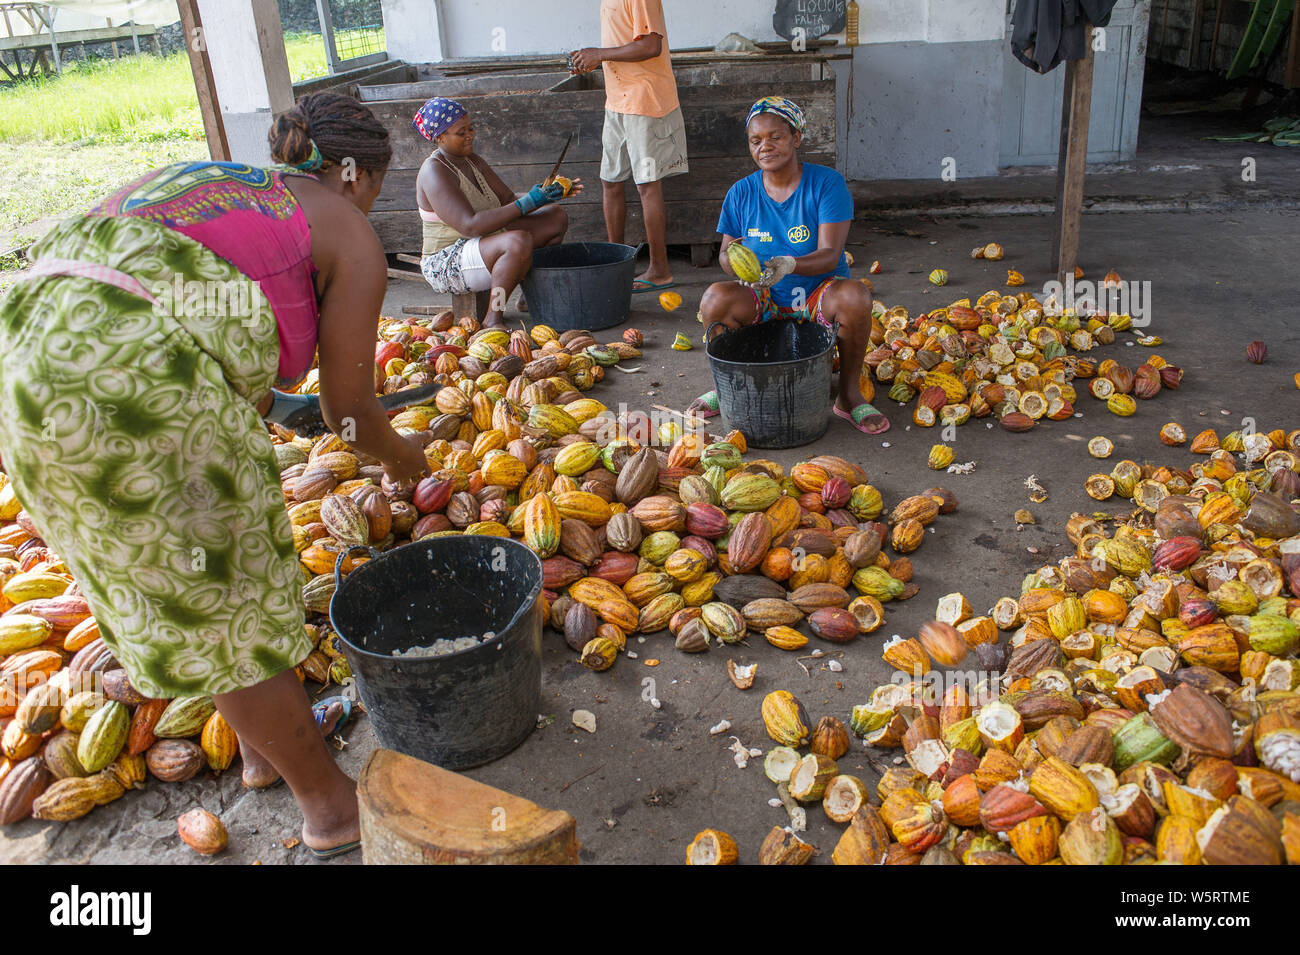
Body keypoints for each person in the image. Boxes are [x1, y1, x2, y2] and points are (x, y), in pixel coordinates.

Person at [0, 92, 430, 858]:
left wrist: (267, 397)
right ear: (354, 174)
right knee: (225, 604)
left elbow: (196, 303)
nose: (372, 207)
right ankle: (331, 809)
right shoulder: (348, 230)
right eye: (374, 190)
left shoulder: (222, 184)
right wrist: (408, 462)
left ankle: (261, 749)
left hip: (25, 364)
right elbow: (352, 415)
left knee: (184, 587)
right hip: (126, 381)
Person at [692, 96, 889, 436]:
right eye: (756, 141)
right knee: (714, 299)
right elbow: (725, 255)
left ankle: (848, 395)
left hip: (816, 295)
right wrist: (735, 263)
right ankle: (727, 388)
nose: (765, 146)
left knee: (855, 297)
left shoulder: (826, 184)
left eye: (775, 137)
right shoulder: (741, 192)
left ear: (796, 138)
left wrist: (789, 264)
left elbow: (830, 254)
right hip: (762, 298)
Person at [414, 97, 581, 328]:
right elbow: (469, 225)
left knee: (555, 218)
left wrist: (545, 195)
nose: (470, 135)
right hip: (447, 260)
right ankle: (493, 319)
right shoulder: (434, 171)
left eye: (470, 128)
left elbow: (508, 201)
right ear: (440, 138)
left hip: (480, 243)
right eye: (461, 133)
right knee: (516, 242)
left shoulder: (472, 160)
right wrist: (529, 203)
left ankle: (528, 295)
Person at [570, 0, 687, 293]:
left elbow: (650, 46)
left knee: (647, 185)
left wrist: (600, 54)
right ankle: (616, 264)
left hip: (646, 102)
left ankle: (660, 269)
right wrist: (593, 60)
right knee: (610, 182)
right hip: (618, 102)